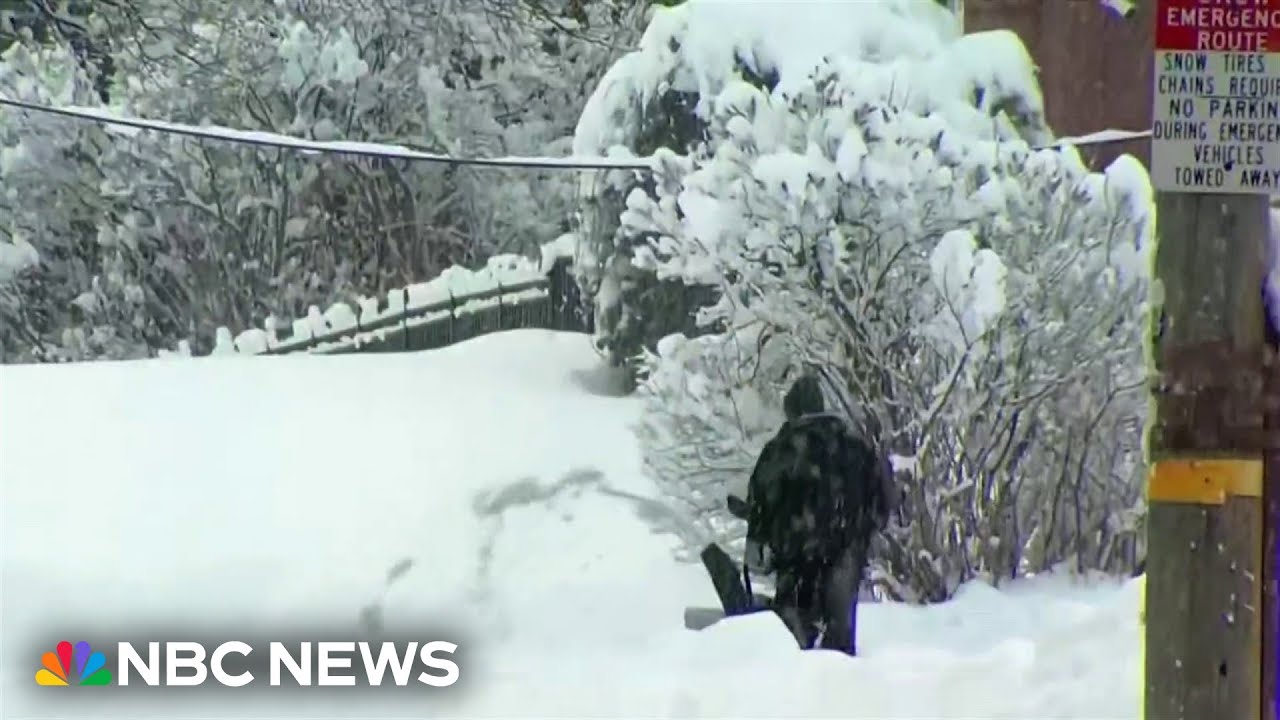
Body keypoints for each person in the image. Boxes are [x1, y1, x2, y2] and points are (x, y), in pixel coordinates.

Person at [728, 374, 897, 655]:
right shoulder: (856, 445)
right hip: (846, 554)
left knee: (792, 643)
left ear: (792, 411)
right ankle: (846, 684)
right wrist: (861, 532)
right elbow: (883, 500)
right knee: (840, 641)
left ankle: (799, 679)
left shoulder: (782, 449)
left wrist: (762, 539)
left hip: (795, 559)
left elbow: (760, 504)